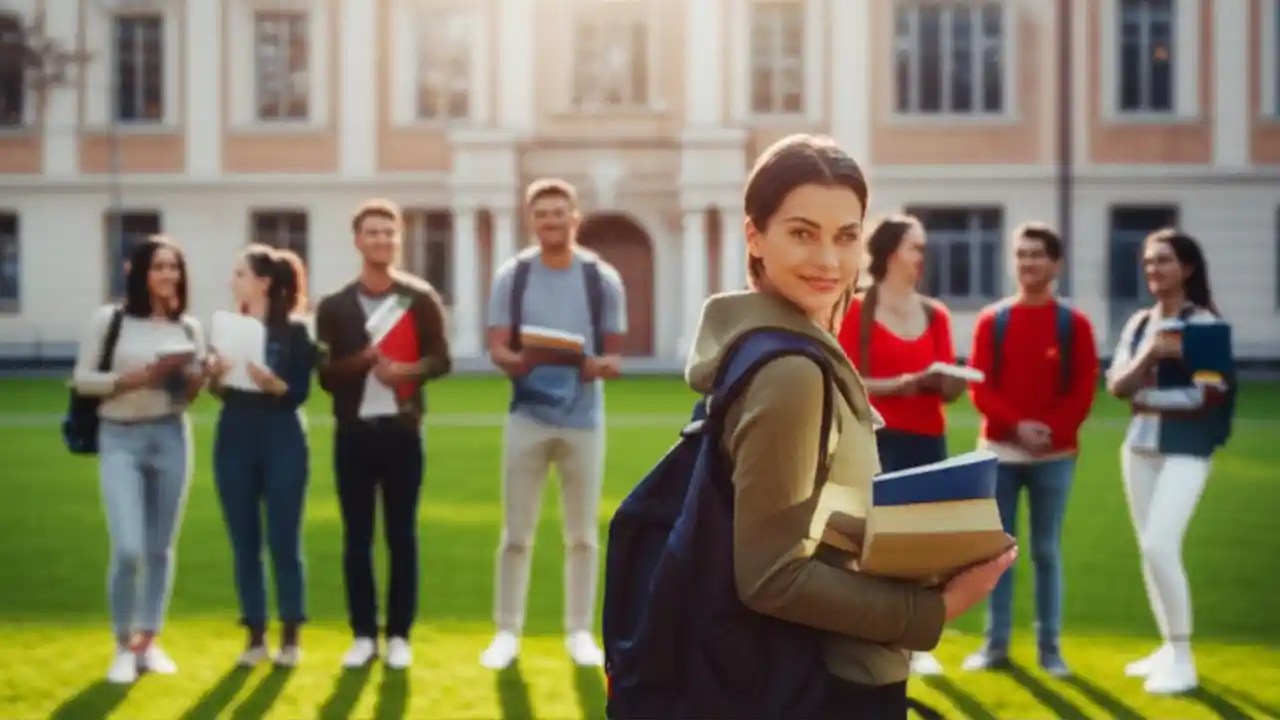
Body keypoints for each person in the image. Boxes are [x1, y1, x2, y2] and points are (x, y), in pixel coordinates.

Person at [685, 133, 1015, 718]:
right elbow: (770, 576)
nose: (830, 262)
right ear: (754, 236)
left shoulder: (768, 346)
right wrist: (937, 609)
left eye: (846, 236)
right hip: (830, 681)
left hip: (815, 667)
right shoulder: (791, 372)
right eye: (802, 233)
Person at [480, 178, 627, 670]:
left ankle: (580, 632)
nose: (551, 222)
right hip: (526, 416)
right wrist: (515, 360)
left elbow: (613, 354)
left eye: (559, 213)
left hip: (584, 419)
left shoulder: (600, 278)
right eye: (542, 214)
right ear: (531, 221)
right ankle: (506, 632)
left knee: (582, 533)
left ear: (574, 218)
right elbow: (498, 344)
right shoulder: (513, 276)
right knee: (516, 532)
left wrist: (596, 365)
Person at [315, 199, 452, 670]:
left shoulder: (418, 298)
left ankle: (398, 635)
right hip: (353, 434)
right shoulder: (334, 306)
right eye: (372, 233)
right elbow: (325, 376)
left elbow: (442, 359)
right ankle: (361, 634)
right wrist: (363, 363)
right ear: (358, 240)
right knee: (357, 536)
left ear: (398, 239)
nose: (381, 240)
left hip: (402, 431)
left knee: (401, 535)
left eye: (388, 233)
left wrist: (409, 370)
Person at [962, 222, 1098, 677]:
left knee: (1045, 552)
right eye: (1021, 254)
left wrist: (1050, 431)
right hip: (1000, 454)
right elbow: (979, 386)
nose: (1028, 262)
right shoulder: (991, 320)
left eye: (1037, 254)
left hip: (1054, 459)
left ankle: (1050, 650)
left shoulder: (1074, 325)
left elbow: (1082, 390)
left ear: (1055, 264)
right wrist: (1017, 427)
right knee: (996, 555)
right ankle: (994, 647)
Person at [72, 236, 207, 684]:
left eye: (174, 267)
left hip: (170, 435)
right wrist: (130, 379)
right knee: (129, 548)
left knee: (160, 548)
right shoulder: (110, 321)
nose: (169, 275)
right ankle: (122, 644)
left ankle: (149, 643)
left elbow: (184, 400)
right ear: (139, 272)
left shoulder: (188, 329)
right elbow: (82, 380)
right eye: (159, 266)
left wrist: (195, 380)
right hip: (119, 438)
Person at [1106, 229, 1233, 695]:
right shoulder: (1139, 324)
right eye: (1148, 262)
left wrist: (1148, 396)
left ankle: (1183, 656)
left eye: (1164, 260)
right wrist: (1151, 353)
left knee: (1161, 546)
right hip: (1139, 450)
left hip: (1187, 450)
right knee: (1150, 551)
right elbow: (1117, 386)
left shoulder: (1205, 325)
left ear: (1188, 268)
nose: (1154, 270)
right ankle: (1166, 646)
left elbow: (1210, 393)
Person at [836, 214, 964, 677]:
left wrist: (948, 384)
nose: (923, 258)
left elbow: (950, 383)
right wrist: (906, 383)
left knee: (925, 547)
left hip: (929, 438)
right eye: (917, 248)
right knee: (876, 544)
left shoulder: (936, 314)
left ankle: (917, 641)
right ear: (892, 254)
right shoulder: (854, 310)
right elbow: (847, 381)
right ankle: (876, 637)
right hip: (877, 437)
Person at [207, 245, 317, 667]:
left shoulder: (295, 333)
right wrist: (214, 378)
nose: (232, 281)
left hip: (282, 437)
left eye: (239, 273)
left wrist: (276, 386)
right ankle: (255, 637)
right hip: (235, 434)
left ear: (263, 282)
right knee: (244, 542)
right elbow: (220, 392)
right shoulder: (228, 329)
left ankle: (291, 637)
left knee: (284, 540)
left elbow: (301, 393)